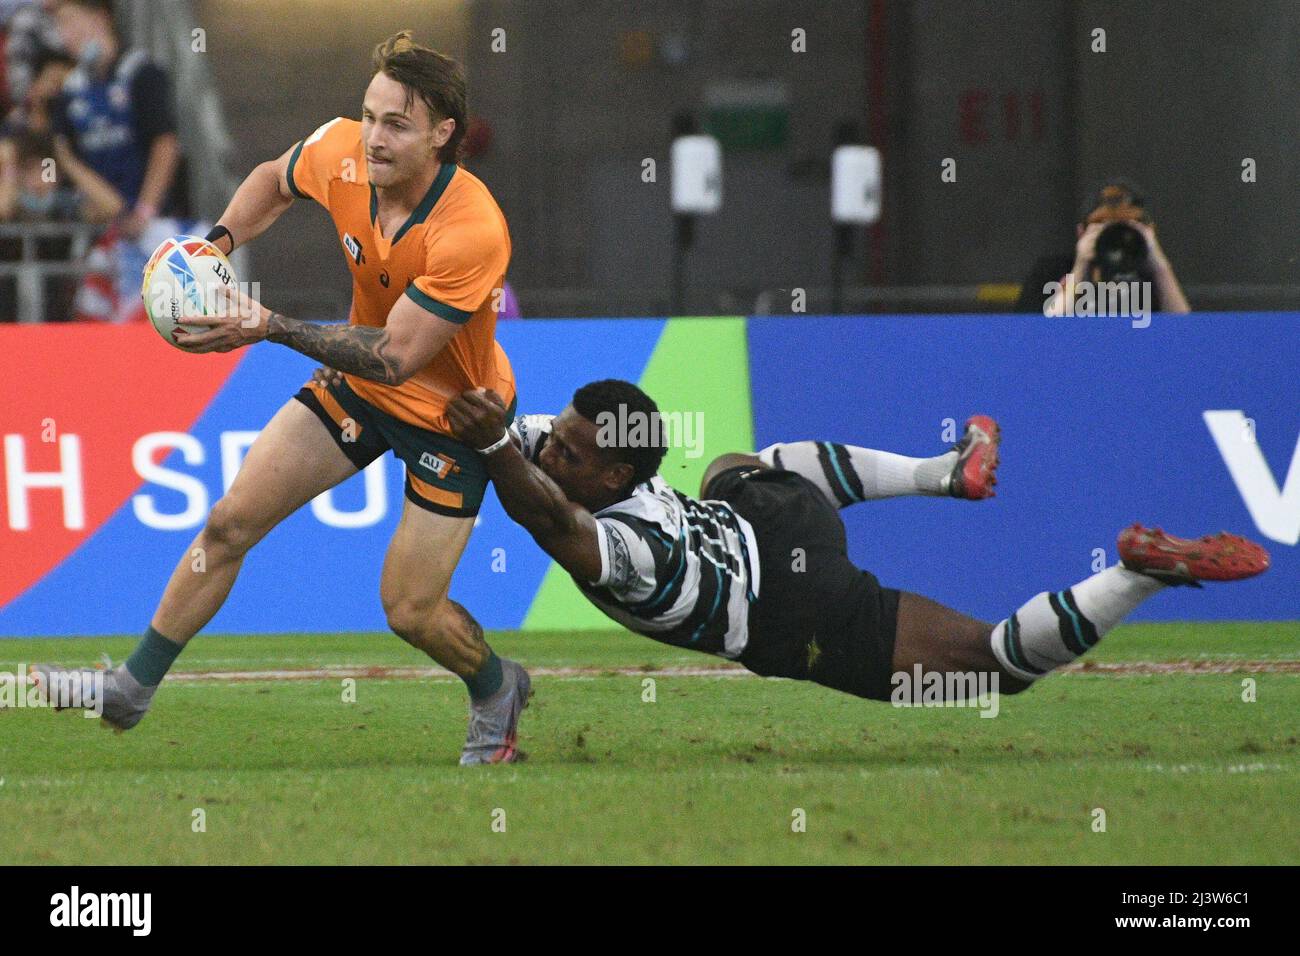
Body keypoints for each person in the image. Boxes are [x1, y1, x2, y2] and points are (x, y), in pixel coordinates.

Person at [30, 31, 529, 766]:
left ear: (442, 134)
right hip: (360, 382)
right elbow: (271, 177)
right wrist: (217, 247)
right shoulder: (344, 154)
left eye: (398, 124)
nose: (376, 138)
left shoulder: (472, 228)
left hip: (452, 417)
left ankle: (495, 686)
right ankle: (128, 691)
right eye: (370, 116)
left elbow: (396, 356)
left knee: (409, 610)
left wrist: (269, 326)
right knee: (230, 523)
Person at [444, 379, 1268, 707]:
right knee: (739, 463)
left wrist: (489, 450)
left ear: (616, 475)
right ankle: (944, 474)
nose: (548, 450)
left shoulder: (627, 548)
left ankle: (1136, 572)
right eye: (551, 443)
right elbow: (529, 444)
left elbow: (553, 522)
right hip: (770, 517)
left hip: (793, 613)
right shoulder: (589, 452)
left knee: (995, 670)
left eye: (567, 454)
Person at [48, 0, 184, 238]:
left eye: (70, 21)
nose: (66, 35)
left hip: (156, 223)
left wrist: (144, 211)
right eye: (60, 27)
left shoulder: (141, 73)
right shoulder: (70, 90)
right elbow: (65, 157)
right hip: (105, 227)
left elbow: (165, 143)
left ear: (100, 17)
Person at [1016, 178, 1191, 316]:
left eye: (1127, 224)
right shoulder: (1053, 270)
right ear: (1082, 231)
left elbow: (1185, 335)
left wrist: (1160, 268)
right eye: (1103, 224)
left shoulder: (1155, 277)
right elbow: (1037, 335)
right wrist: (1080, 268)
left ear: (1149, 230)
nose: (1115, 232)